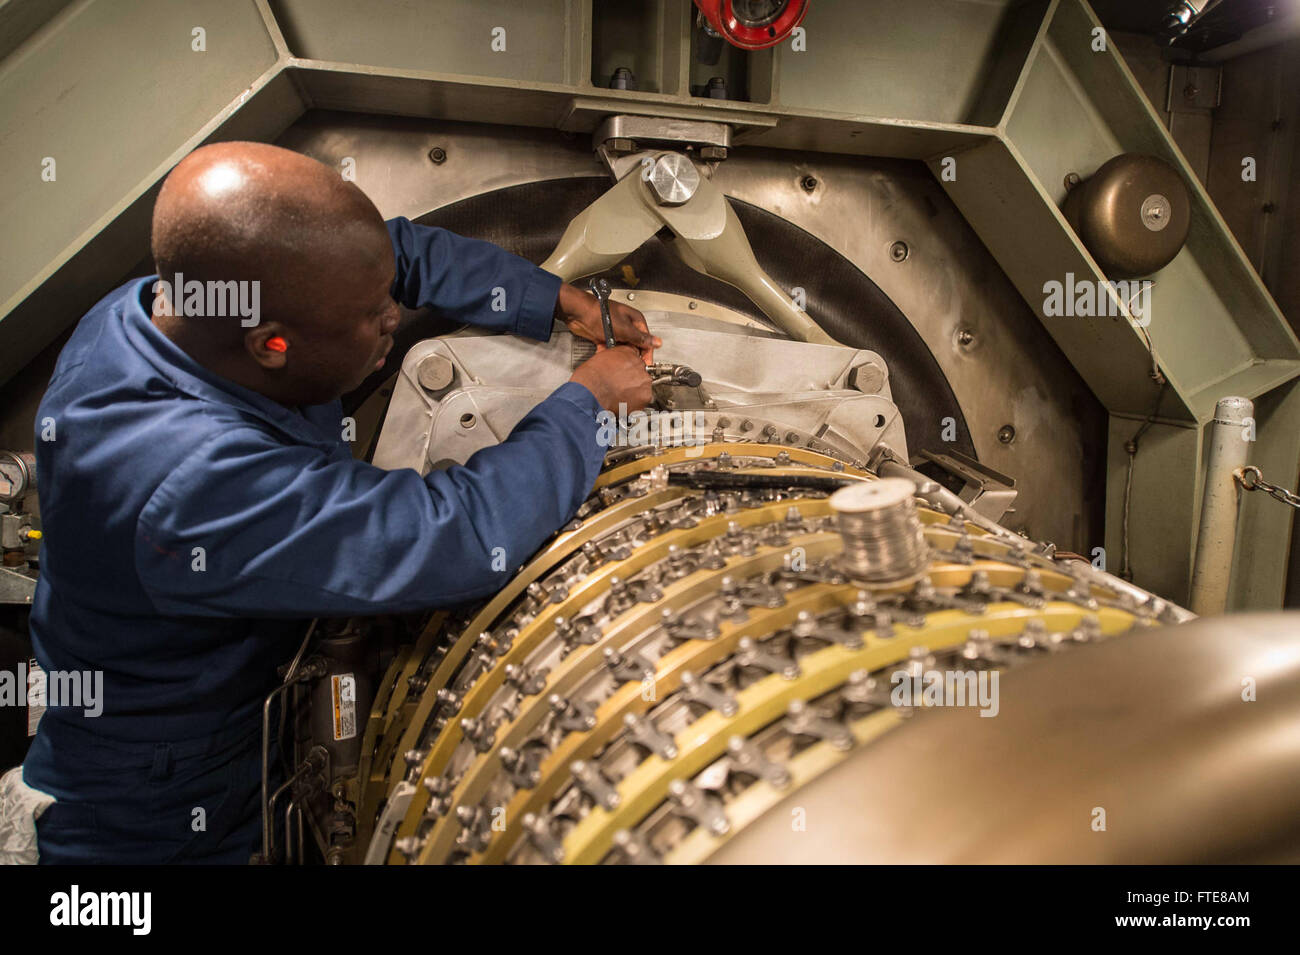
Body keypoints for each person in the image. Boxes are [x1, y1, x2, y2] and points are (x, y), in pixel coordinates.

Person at [16, 141, 656, 863]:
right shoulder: (186, 483)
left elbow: (393, 254)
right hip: (161, 804)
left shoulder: (179, 305)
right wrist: (588, 403)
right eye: (372, 318)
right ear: (270, 345)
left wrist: (552, 300)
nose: (393, 318)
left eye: (388, 299)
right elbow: (456, 536)